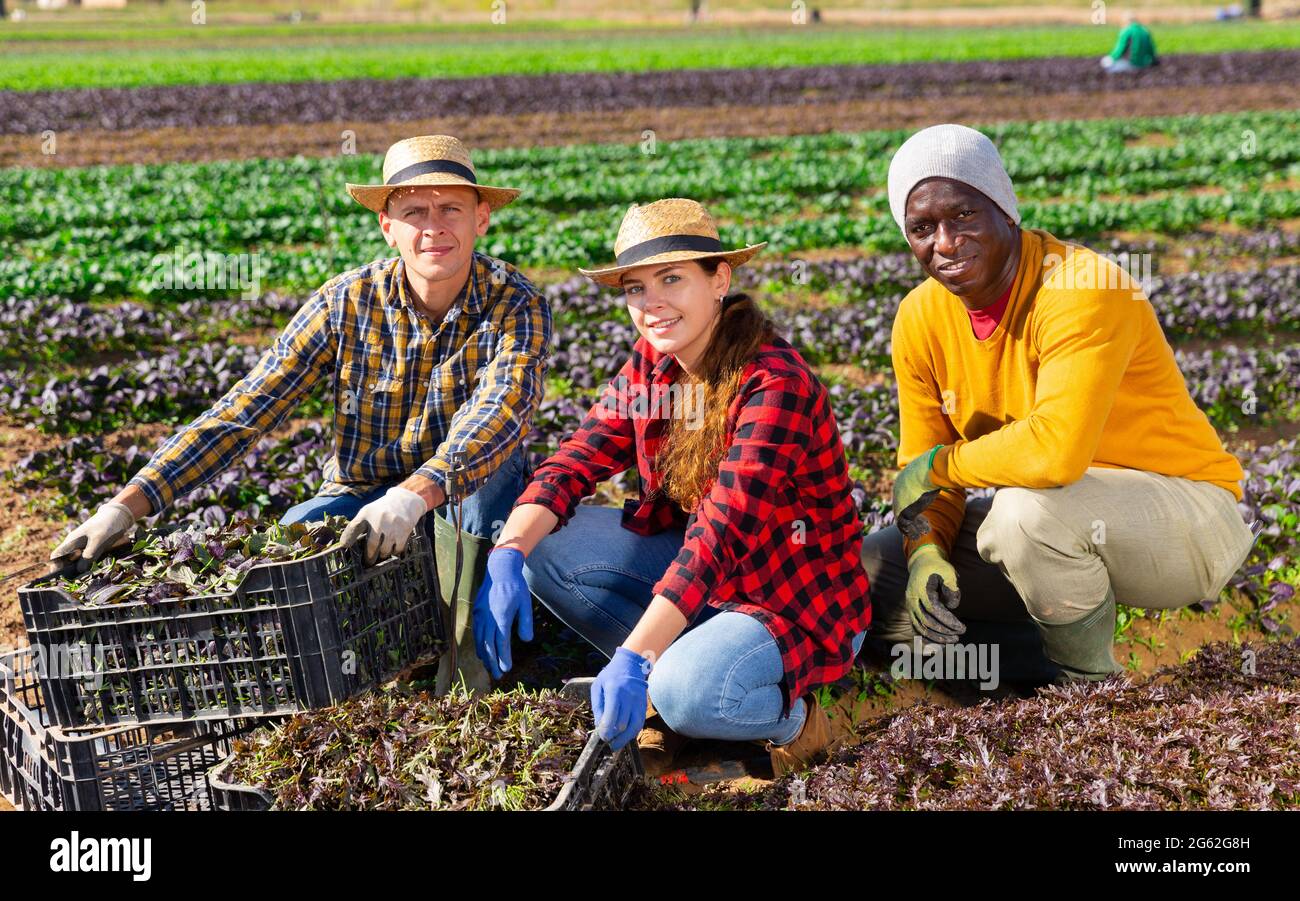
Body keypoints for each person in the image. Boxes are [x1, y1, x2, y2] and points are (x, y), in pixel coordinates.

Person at [49, 135, 553, 694]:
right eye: (414, 211)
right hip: (361, 491)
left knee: (479, 496)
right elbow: (245, 410)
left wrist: (415, 494)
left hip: (462, 493)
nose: (433, 226)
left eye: (450, 208)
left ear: (481, 218)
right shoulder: (347, 302)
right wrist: (125, 508)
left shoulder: (515, 303)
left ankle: (465, 669)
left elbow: (497, 415)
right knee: (293, 543)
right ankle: (347, 674)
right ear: (388, 226)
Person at [472, 198, 871, 776]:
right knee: (544, 549)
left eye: (672, 278)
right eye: (635, 287)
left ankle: (800, 722)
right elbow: (577, 458)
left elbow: (721, 535)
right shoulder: (654, 365)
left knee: (688, 692)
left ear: (720, 280)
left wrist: (635, 657)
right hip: (708, 589)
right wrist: (507, 553)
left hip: (794, 599)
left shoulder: (774, 385)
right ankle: (680, 680)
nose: (650, 303)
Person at [863, 123, 1253, 685]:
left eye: (964, 216)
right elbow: (922, 465)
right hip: (1060, 528)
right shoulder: (920, 318)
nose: (945, 242)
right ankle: (1032, 669)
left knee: (1024, 518)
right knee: (868, 574)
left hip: (1186, 517)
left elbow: (1054, 454)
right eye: (923, 227)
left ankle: (1089, 691)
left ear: (1006, 210)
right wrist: (926, 549)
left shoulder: (1082, 287)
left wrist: (941, 466)